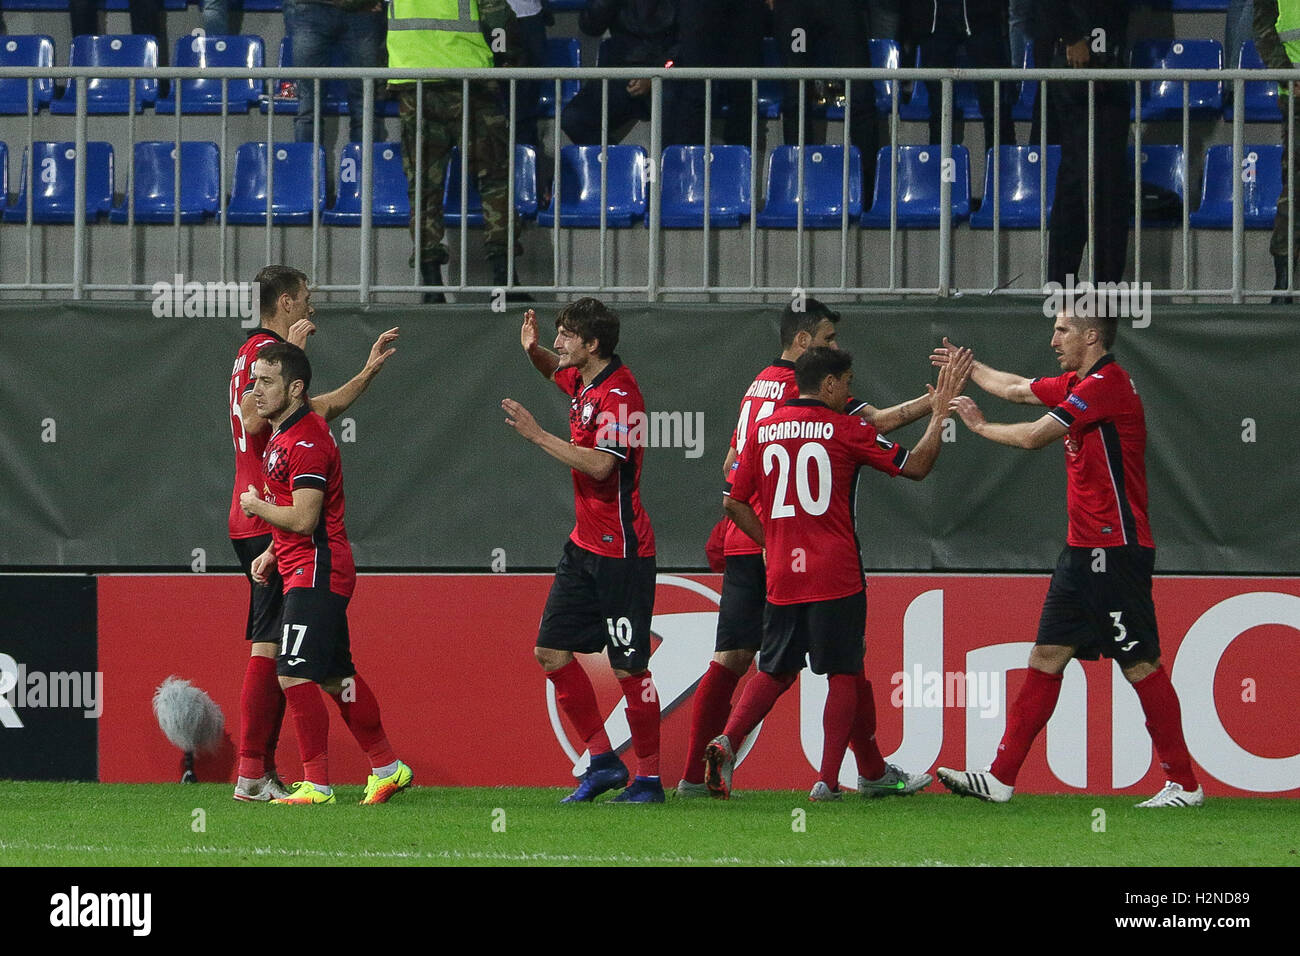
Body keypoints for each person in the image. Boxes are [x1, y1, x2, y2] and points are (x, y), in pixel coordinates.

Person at [677, 299, 968, 797]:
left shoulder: (759, 389)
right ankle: (831, 780)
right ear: (806, 346)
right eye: (830, 340)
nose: (838, 351)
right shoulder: (832, 413)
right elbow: (880, 427)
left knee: (747, 661)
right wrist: (937, 408)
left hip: (764, 550)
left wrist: (770, 537)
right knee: (845, 665)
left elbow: (730, 471)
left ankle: (695, 776)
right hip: (823, 558)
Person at [932, 317, 1204, 808]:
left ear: (1091, 336)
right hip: (1081, 550)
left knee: (1140, 663)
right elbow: (1015, 388)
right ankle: (1000, 778)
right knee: (1047, 656)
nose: (1054, 339)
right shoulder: (1078, 383)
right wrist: (968, 369)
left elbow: (1035, 435)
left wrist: (979, 426)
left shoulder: (1106, 385)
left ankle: (1184, 784)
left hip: (1114, 549)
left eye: (1063, 330)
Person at [229, 264, 399, 802]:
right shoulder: (265, 360)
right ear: (284, 303)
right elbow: (261, 418)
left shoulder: (298, 431)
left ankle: (292, 774)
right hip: (276, 529)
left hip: (296, 539)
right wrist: (288, 352)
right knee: (296, 662)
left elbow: (313, 408)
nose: (312, 307)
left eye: (266, 381)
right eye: (306, 298)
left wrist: (367, 372)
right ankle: (272, 771)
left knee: (299, 664)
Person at [502, 300, 664, 803]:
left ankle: (651, 780)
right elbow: (556, 370)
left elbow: (600, 467)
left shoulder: (621, 396)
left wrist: (536, 434)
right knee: (550, 652)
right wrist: (532, 351)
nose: (559, 342)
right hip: (583, 547)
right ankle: (602, 761)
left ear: (592, 345)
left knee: (629, 668)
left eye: (567, 335)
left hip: (622, 554)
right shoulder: (586, 380)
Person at [387, 0, 527, 302]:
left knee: (424, 187)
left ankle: (431, 287)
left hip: (416, 85)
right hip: (469, 83)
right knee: (494, 180)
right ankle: (504, 283)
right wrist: (508, 55)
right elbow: (497, 17)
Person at [1044, 1, 1130, 285]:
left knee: (1083, 181)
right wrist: (1072, 37)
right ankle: (1098, 290)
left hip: (1109, 66)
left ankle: (1064, 286)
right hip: (1083, 66)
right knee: (1097, 186)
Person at [561, 0, 681, 146]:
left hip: (668, 73)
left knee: (675, 118)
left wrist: (658, 72)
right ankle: (619, 164)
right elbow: (590, 26)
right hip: (621, 72)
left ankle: (670, 166)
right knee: (573, 118)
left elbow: (686, 43)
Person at [292, 1, 387, 146]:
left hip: (361, 11)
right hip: (312, 9)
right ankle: (308, 167)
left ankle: (365, 167)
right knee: (308, 104)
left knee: (364, 105)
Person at [1263, 0, 1300, 299]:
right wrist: (1287, 73)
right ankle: (1283, 285)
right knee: (1295, 191)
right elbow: (1263, 28)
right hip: (1297, 97)